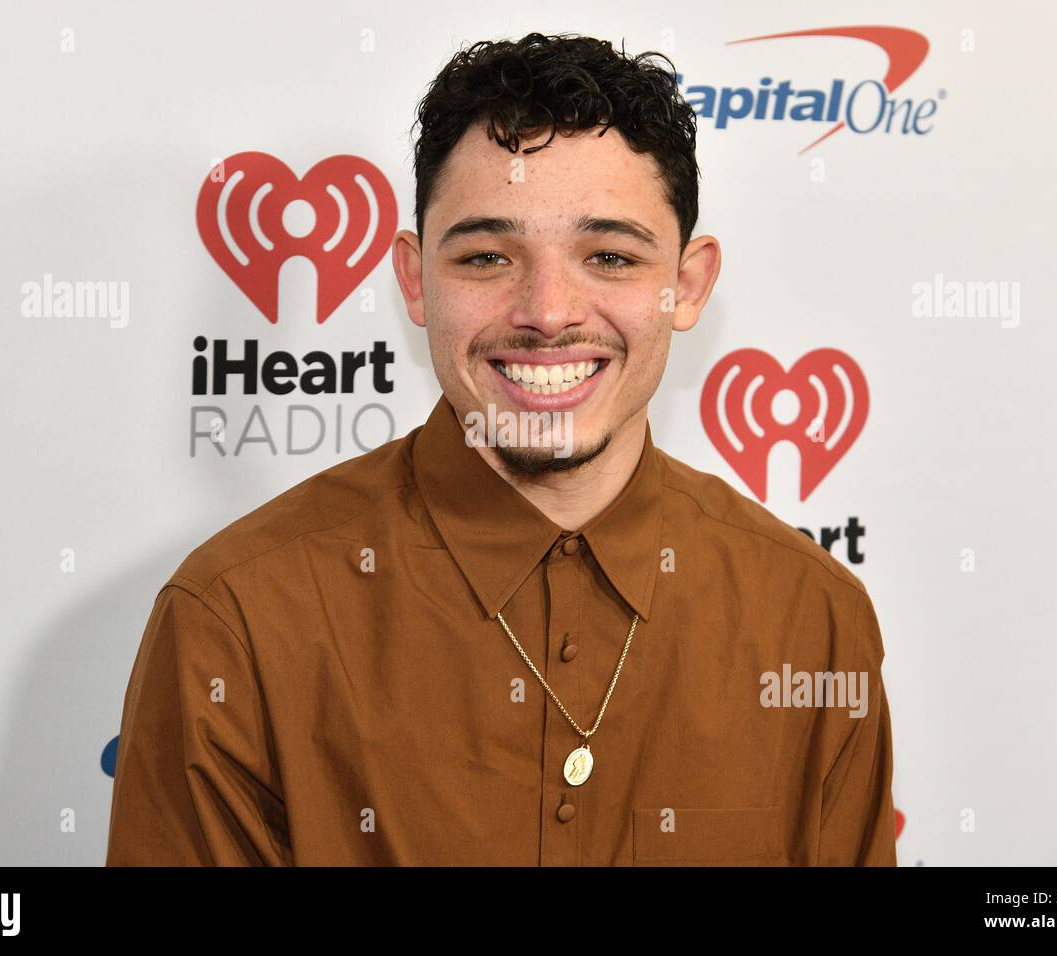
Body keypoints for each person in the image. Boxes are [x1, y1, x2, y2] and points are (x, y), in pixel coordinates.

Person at [106, 32, 897, 866]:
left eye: (609, 257)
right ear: (414, 280)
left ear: (688, 286)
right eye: (487, 256)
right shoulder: (236, 622)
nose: (548, 312)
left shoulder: (812, 620)